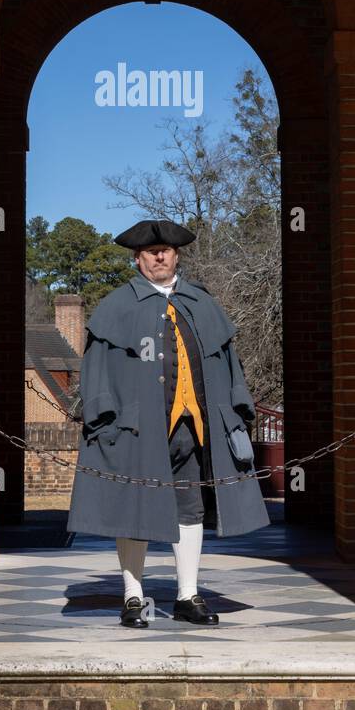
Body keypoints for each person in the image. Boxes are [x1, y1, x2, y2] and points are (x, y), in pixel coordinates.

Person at [66, 218, 270, 627]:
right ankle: (133, 596)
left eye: (167, 250)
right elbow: (98, 370)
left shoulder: (202, 303)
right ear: (138, 258)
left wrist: (235, 409)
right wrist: (103, 418)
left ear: (176, 255)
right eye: (150, 252)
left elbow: (229, 365)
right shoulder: (116, 307)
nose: (159, 256)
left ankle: (188, 595)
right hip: (135, 431)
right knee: (135, 508)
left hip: (191, 428)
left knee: (189, 508)